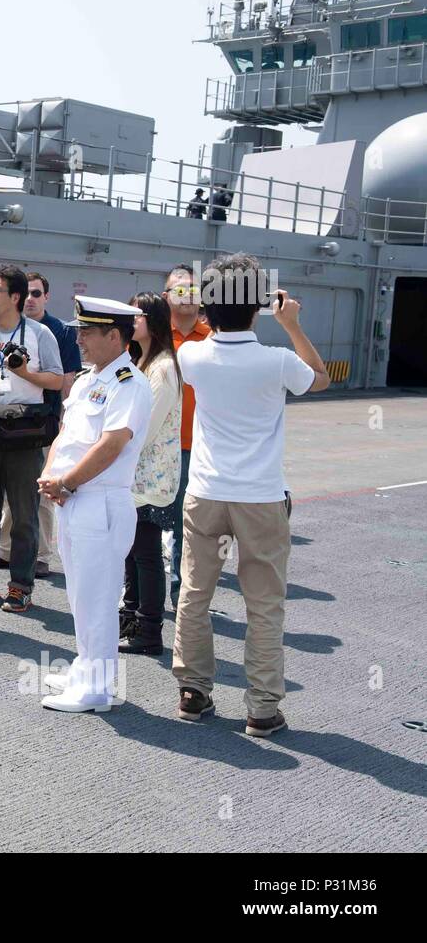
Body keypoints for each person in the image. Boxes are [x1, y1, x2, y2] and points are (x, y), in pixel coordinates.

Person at [171, 253, 330, 736]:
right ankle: (262, 708)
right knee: (263, 604)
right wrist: (293, 325)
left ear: (207, 306)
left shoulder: (191, 356)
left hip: (205, 491)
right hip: (260, 496)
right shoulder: (277, 361)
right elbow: (320, 379)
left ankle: (193, 692)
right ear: (259, 304)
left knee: (195, 594)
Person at [37, 296, 152, 713]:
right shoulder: (88, 380)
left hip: (99, 501)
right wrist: (52, 478)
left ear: (115, 336)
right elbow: (66, 436)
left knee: (99, 598)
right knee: (79, 594)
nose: (79, 338)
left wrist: (65, 482)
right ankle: (86, 668)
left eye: (87, 331)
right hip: (72, 499)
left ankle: (97, 689)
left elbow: (112, 444)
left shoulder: (129, 384)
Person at [0, 265, 63, 613]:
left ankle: (21, 585)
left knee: (24, 514)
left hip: (24, 433)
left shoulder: (40, 334)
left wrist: (25, 373)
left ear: (15, 297)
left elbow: (57, 380)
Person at [0, 270, 81, 578]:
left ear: (46, 297)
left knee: (42, 491)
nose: (31, 299)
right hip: (7, 420)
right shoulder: (4, 328)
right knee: (11, 492)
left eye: (37, 294)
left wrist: (66, 422)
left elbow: (68, 379)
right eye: (27, 293)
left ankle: (41, 554)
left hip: (44, 424)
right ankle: (6, 550)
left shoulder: (58, 331)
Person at [119, 292, 183, 655]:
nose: (133, 321)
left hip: (150, 478)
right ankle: (132, 617)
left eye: (139, 315)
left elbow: (147, 425)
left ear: (155, 321)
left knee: (145, 552)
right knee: (132, 550)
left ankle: (149, 629)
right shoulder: (139, 360)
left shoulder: (162, 367)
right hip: (134, 475)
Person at [166, 264, 211, 607]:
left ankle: (182, 597)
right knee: (145, 524)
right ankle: (142, 596)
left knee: (188, 527)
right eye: (179, 289)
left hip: (195, 447)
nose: (187, 295)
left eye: (193, 289)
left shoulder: (213, 338)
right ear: (166, 296)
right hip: (152, 446)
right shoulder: (150, 336)